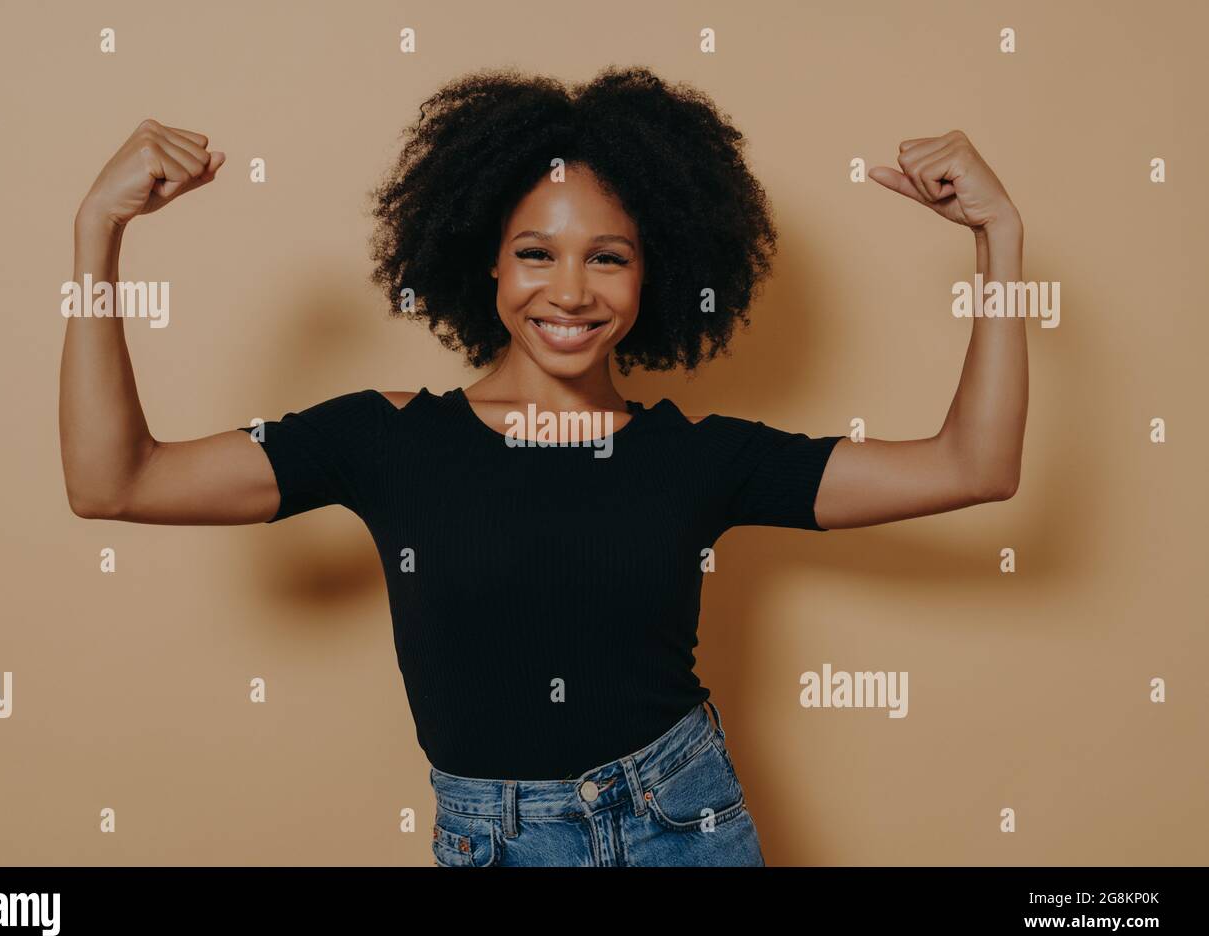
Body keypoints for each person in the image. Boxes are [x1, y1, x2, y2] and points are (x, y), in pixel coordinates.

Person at [58, 66, 1026, 866]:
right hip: (495, 842)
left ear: (652, 275)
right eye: (535, 252)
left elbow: (972, 464)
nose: (570, 289)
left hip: (683, 825)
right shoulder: (383, 441)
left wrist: (1001, 239)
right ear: (486, 260)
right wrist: (97, 232)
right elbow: (115, 480)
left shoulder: (699, 457)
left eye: (608, 257)